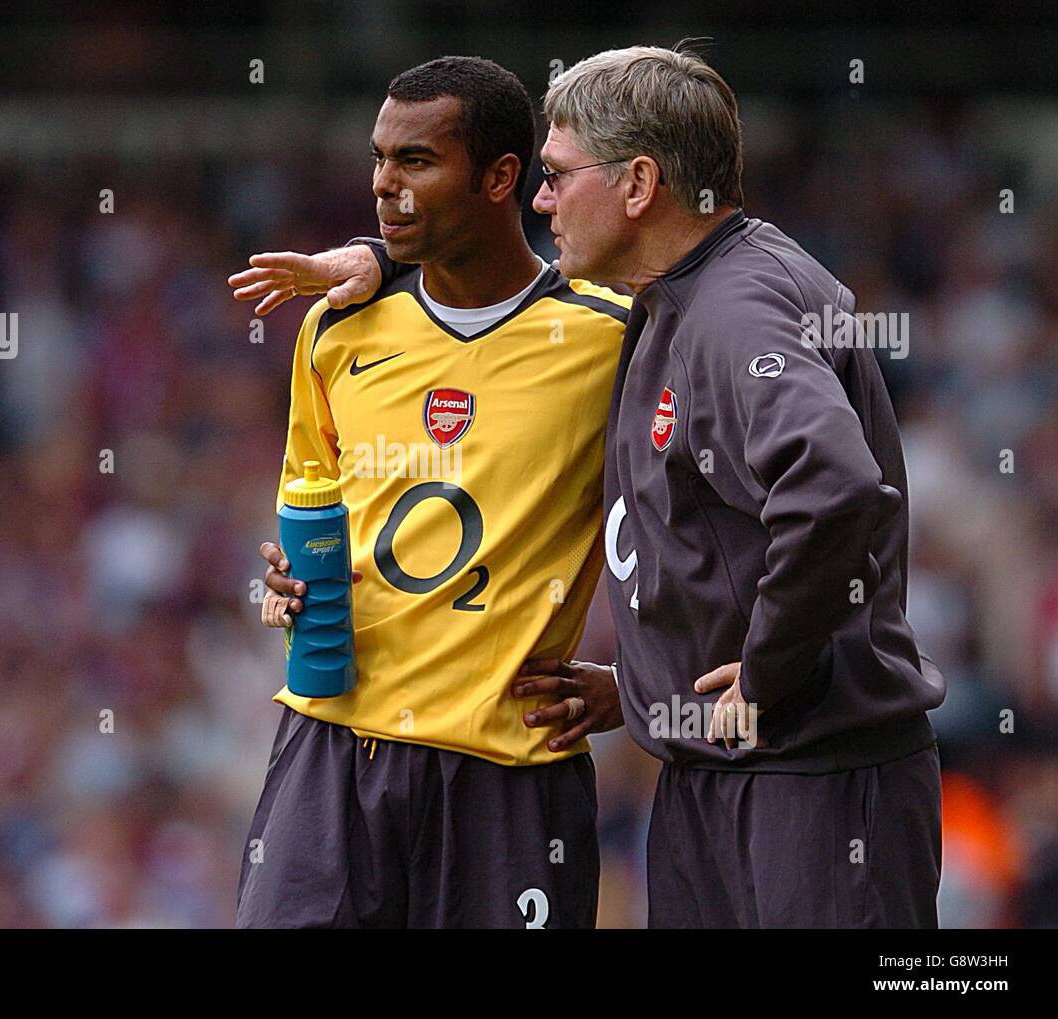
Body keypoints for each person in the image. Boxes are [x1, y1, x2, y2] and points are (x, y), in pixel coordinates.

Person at [253, 45, 947, 929]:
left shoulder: (695, 315)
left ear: (637, 184)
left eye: (554, 175)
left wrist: (766, 674)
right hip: (707, 764)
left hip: (790, 767)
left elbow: (833, 488)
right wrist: (647, 683)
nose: (544, 200)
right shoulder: (664, 302)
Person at [229, 56, 631, 929]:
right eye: (379, 159)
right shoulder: (336, 327)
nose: (383, 185)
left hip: (506, 771)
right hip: (332, 748)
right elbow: (311, 512)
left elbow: (705, 534)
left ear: (500, 178)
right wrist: (288, 584)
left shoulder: (614, 341)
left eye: (416, 162)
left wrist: (639, 685)